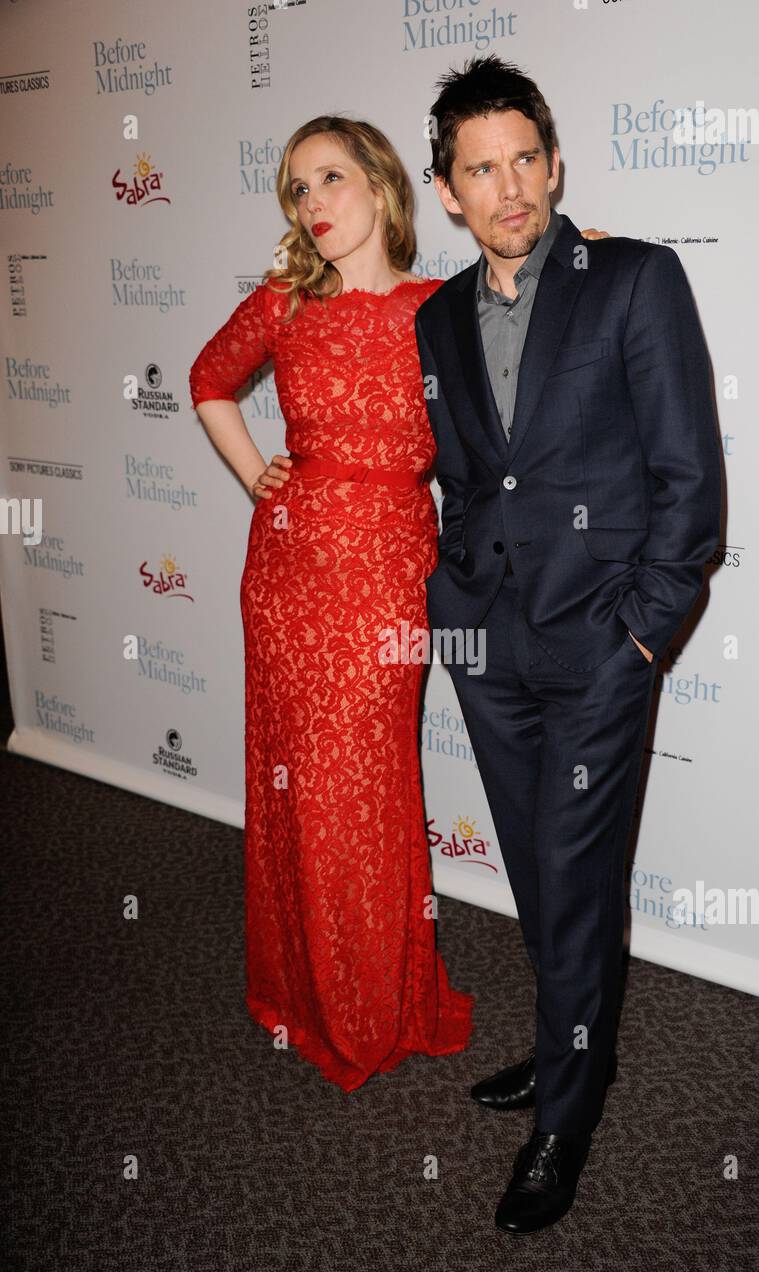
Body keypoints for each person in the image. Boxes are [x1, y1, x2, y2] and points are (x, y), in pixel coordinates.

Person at [415, 56, 722, 1234]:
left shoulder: (633, 282)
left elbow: (687, 483)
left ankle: (566, 1112)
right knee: (539, 875)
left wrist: (638, 641)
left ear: (553, 162)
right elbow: (467, 478)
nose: (508, 189)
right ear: (447, 189)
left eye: (524, 160)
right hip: (489, 646)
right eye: (479, 169)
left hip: (599, 647)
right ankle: (566, 1049)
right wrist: (448, 609)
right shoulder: (437, 316)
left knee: (579, 876)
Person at [187, 116, 476, 1092]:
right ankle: (306, 989)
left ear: (384, 186)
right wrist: (254, 473)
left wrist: (588, 258)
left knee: (370, 778)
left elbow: (539, 332)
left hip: (392, 561)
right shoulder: (282, 305)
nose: (312, 204)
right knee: (299, 782)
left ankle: (375, 995)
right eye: (296, 189)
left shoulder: (441, 306)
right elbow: (207, 381)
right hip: (288, 569)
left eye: (330, 179)